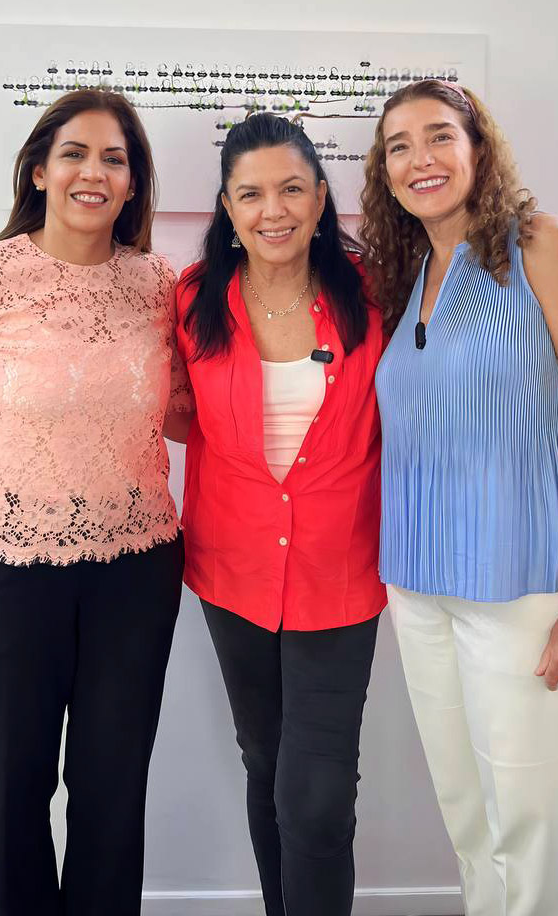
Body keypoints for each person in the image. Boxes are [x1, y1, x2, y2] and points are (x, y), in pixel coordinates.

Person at [0, 89, 191, 916]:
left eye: (114, 159)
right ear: (38, 169)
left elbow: (186, 412)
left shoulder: (156, 286)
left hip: (136, 575)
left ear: (134, 185)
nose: (93, 173)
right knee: (10, 797)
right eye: (74, 153)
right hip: (4, 574)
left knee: (111, 798)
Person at [359, 79, 558, 916]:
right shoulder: (412, 273)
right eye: (398, 146)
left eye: (439, 136)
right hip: (418, 589)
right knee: (470, 823)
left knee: (533, 827)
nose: (420, 159)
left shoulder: (541, 245)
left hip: (525, 589)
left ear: (479, 148)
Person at [174, 113, 386, 916]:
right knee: (264, 762)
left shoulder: (375, 295)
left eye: (291, 188)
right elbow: (164, 406)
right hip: (232, 573)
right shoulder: (193, 301)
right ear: (226, 209)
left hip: (341, 573)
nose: (274, 210)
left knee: (319, 795)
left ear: (322, 196)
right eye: (251, 194)